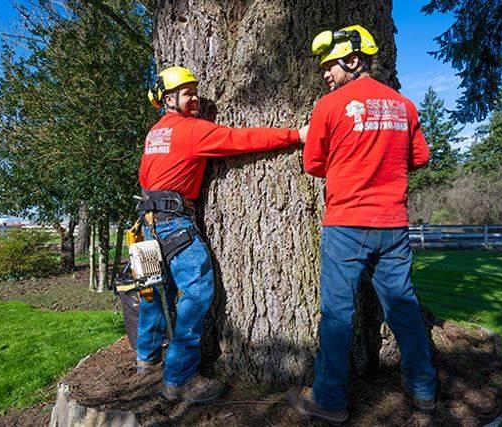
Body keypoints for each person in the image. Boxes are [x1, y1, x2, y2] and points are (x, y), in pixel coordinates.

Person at [286, 25, 437, 423]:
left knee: (337, 313)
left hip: (346, 224)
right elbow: (420, 157)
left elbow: (313, 164)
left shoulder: (328, 107)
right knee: (403, 307)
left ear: (353, 60)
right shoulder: (404, 106)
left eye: (330, 65)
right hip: (393, 225)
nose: (325, 74)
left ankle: (329, 399)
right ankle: (423, 388)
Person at [130, 66, 307, 404]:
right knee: (196, 292)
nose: (195, 97)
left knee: (153, 291)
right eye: (187, 93)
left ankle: (147, 359)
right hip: (174, 223)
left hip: (148, 222)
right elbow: (242, 140)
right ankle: (179, 378)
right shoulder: (193, 130)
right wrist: (295, 135)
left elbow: (143, 176)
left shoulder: (154, 134)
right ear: (169, 99)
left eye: (195, 90)